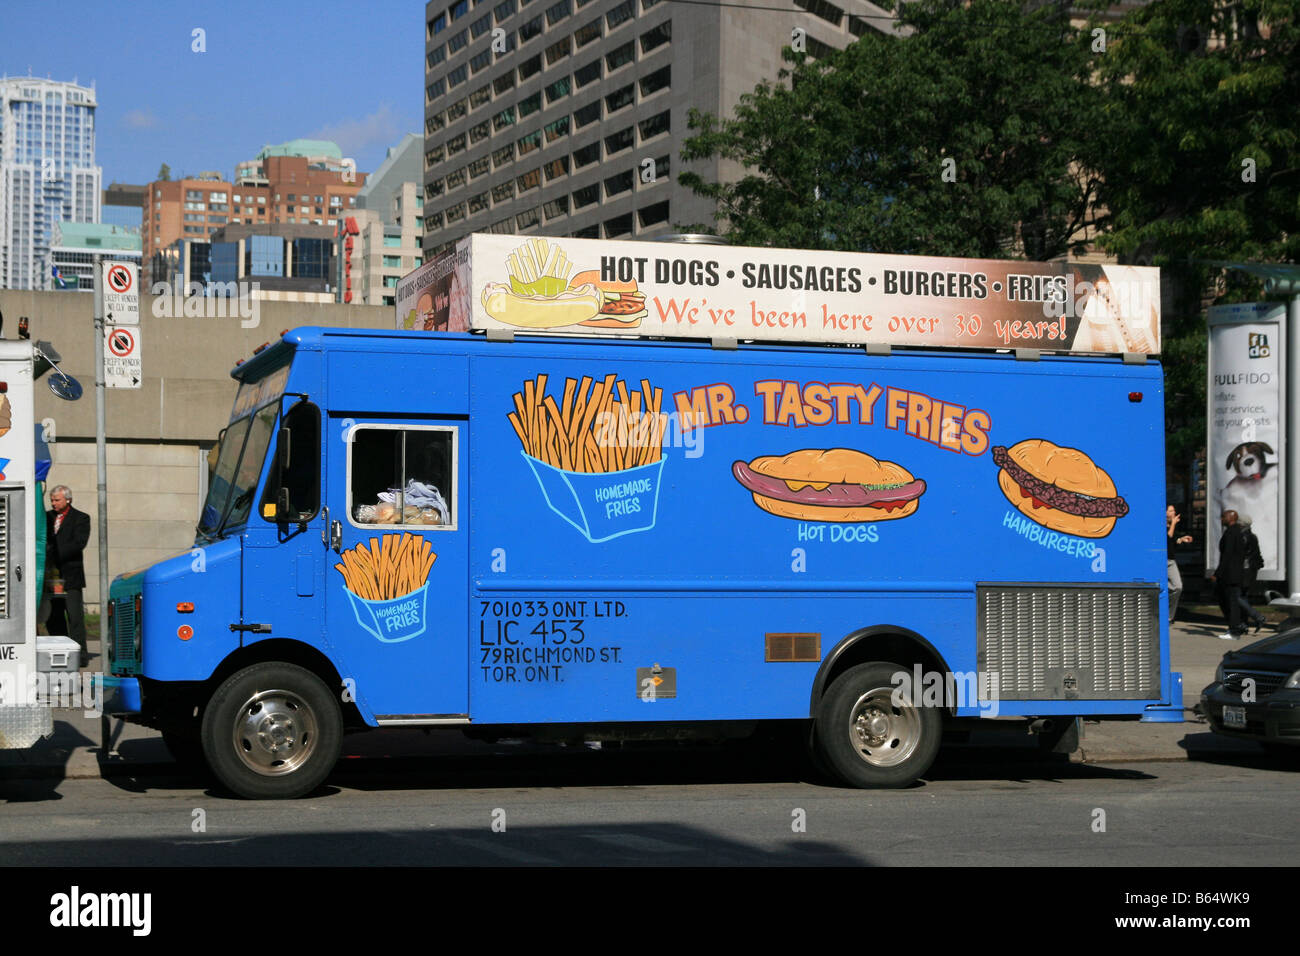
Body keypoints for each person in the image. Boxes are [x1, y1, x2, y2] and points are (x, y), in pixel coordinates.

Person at [46, 485, 91, 667]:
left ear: (68, 499)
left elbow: (78, 543)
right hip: (51, 576)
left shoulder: (81, 518)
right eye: (52, 500)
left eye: (57, 500)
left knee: (75, 617)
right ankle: (61, 653)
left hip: (71, 576)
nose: (53, 503)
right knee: (54, 616)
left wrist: (54, 552)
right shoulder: (47, 518)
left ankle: (80, 655)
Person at [1208, 509, 1247, 640]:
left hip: (1230, 575)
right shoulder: (1237, 532)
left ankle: (1234, 630)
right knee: (1231, 601)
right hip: (1234, 573)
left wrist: (1218, 573)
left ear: (1231, 518)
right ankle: (1235, 628)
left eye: (1223, 517)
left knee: (1231, 602)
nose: (1221, 519)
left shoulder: (1231, 533)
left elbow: (1227, 555)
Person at [1236, 514, 1267, 633]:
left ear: (1241, 524)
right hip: (1251, 570)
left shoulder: (1241, 537)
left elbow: (1238, 555)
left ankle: (1258, 617)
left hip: (1243, 570)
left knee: (1235, 596)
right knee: (1243, 597)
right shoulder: (1253, 536)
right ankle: (1244, 624)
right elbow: (1257, 554)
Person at [1166, 505, 1193, 623]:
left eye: (1174, 510)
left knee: (1178, 586)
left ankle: (1169, 615)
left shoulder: (1171, 525)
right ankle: (1166, 615)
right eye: (1171, 510)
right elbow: (1167, 538)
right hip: (1162, 560)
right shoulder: (1159, 524)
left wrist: (1181, 539)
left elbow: (1172, 541)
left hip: (1170, 560)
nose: (1174, 513)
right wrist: (1173, 524)